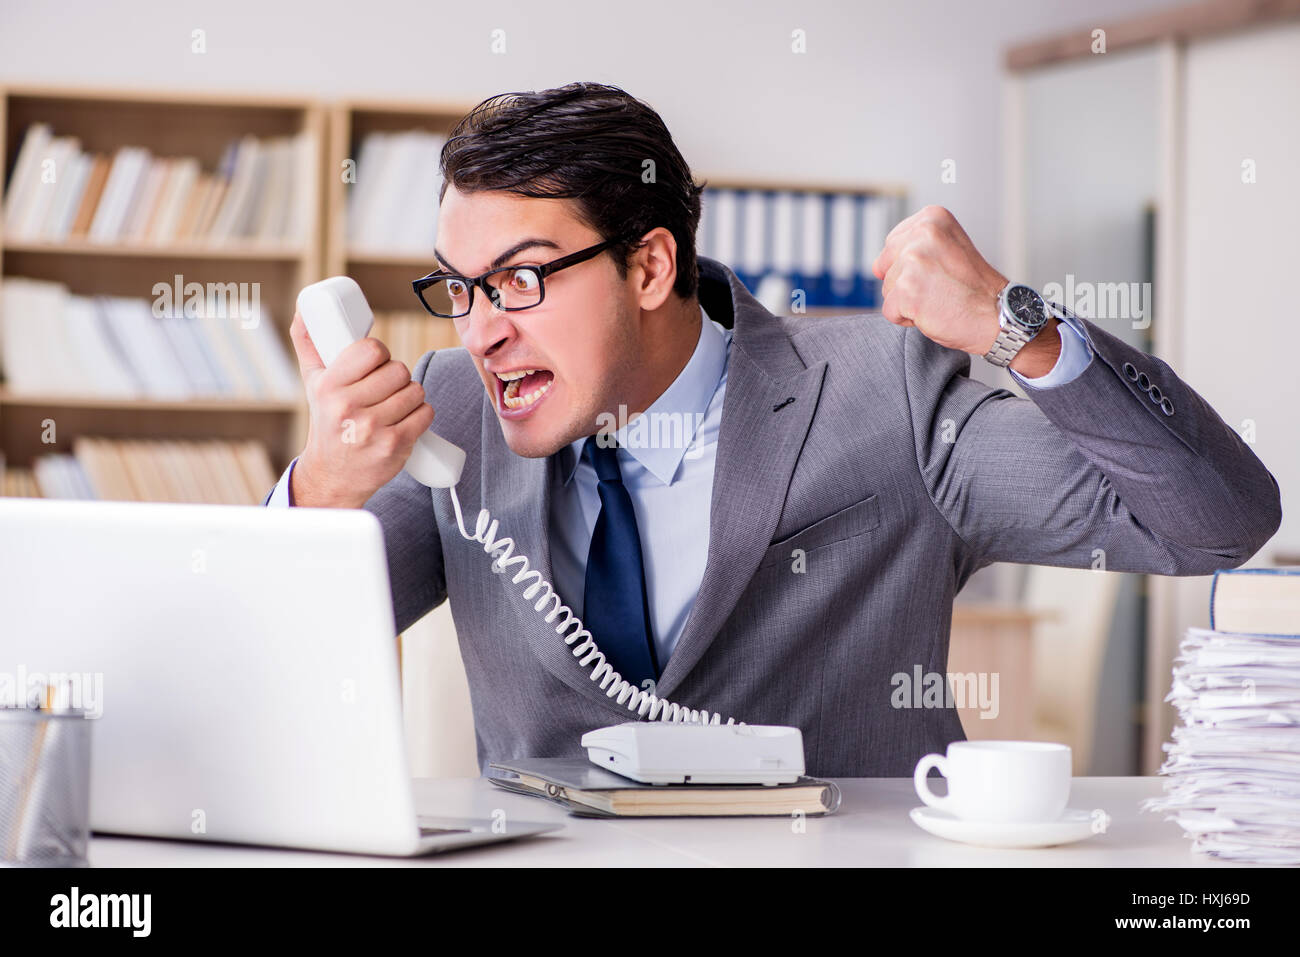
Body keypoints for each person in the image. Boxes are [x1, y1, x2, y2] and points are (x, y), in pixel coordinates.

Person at [265, 81, 1280, 777]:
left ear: (650, 268)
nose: (483, 331)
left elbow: (1213, 524)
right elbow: (273, 668)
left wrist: (1021, 330)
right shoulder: (446, 411)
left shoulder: (886, 394)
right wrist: (320, 489)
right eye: (461, 288)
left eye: (521, 280)